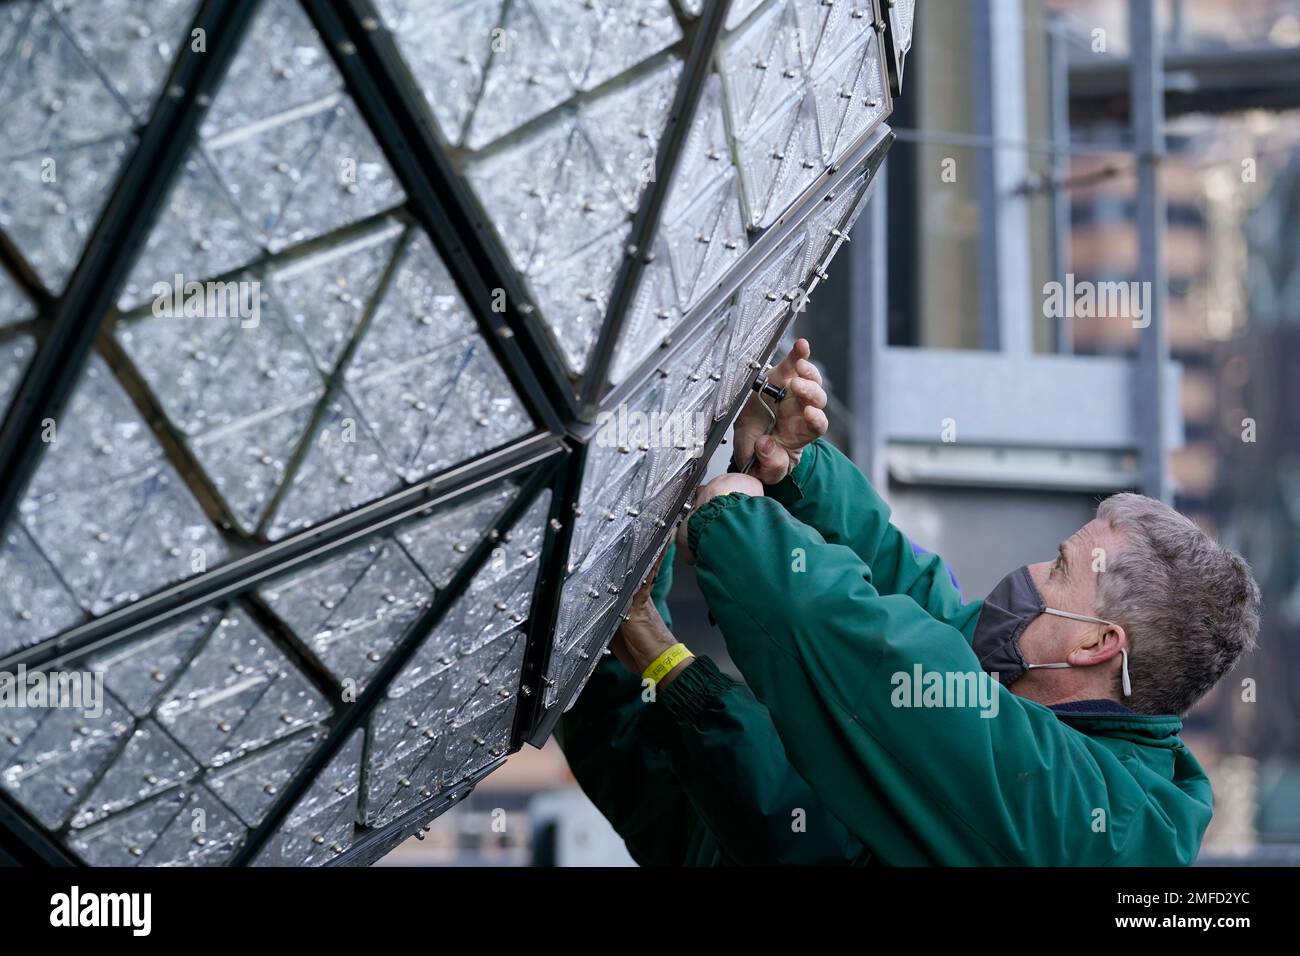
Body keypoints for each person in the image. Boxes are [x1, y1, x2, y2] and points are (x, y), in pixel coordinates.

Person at [558, 339, 1261, 866]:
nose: (1031, 571)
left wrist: (740, 529)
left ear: (1095, 643)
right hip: (729, 819)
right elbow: (926, 610)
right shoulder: (1048, 702)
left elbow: (886, 666)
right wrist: (796, 465)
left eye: (1060, 566)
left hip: (744, 826)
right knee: (580, 636)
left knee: (589, 636)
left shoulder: (1094, 831)